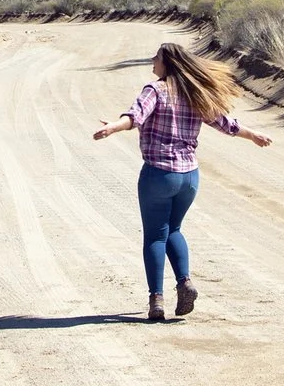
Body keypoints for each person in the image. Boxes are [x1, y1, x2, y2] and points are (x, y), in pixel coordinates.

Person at [91, 42, 273, 321]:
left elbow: (136, 116)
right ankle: (185, 282)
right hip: (189, 177)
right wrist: (254, 135)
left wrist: (114, 127)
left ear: (168, 63)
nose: (153, 61)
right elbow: (226, 124)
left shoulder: (155, 90)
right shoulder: (194, 93)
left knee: (155, 235)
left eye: (157, 57)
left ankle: (156, 301)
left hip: (159, 174)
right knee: (173, 229)